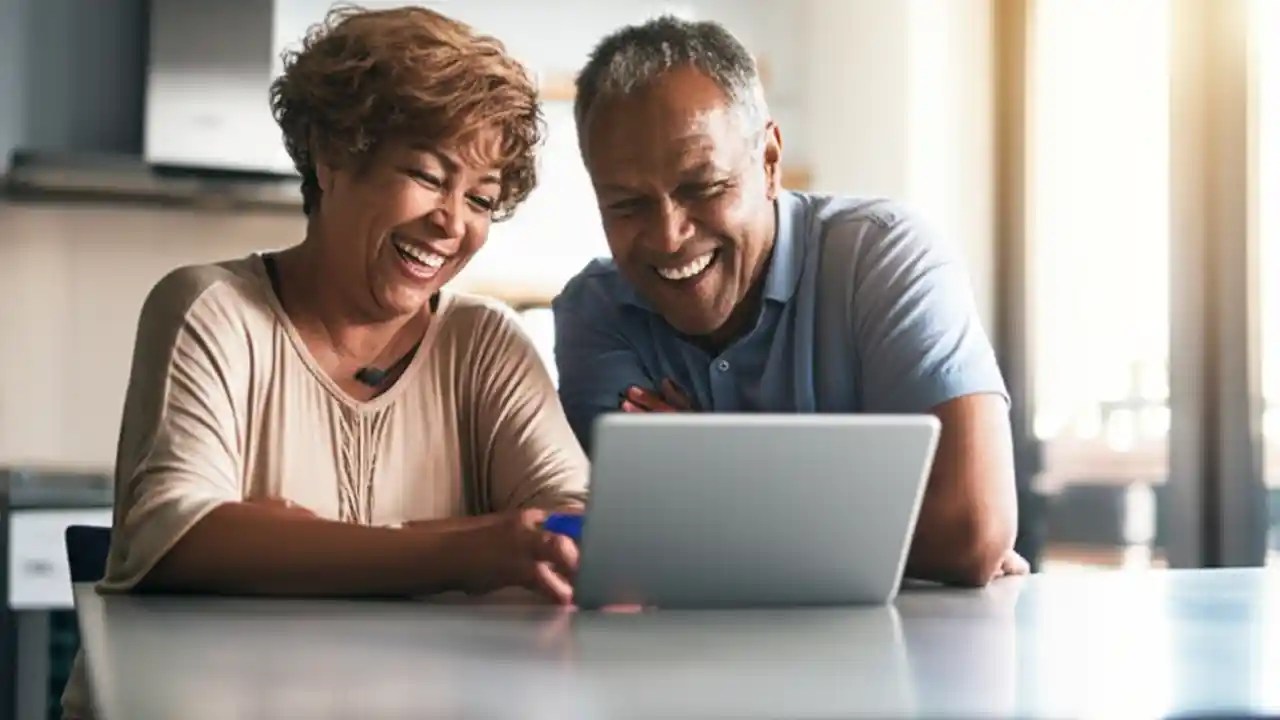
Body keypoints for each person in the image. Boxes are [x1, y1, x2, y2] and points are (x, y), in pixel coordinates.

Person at [63, 6, 585, 718]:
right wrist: (468, 551)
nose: (452, 222)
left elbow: (577, 530)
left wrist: (295, 541)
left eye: (481, 199)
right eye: (427, 176)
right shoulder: (212, 311)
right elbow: (177, 539)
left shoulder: (484, 345)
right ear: (332, 155)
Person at [553, 16, 1026, 588]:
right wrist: (878, 518)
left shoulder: (884, 257)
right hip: (682, 663)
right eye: (627, 205)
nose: (668, 237)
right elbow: (638, 538)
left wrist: (714, 470)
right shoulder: (596, 313)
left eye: (703, 188)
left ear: (770, 161)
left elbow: (968, 531)